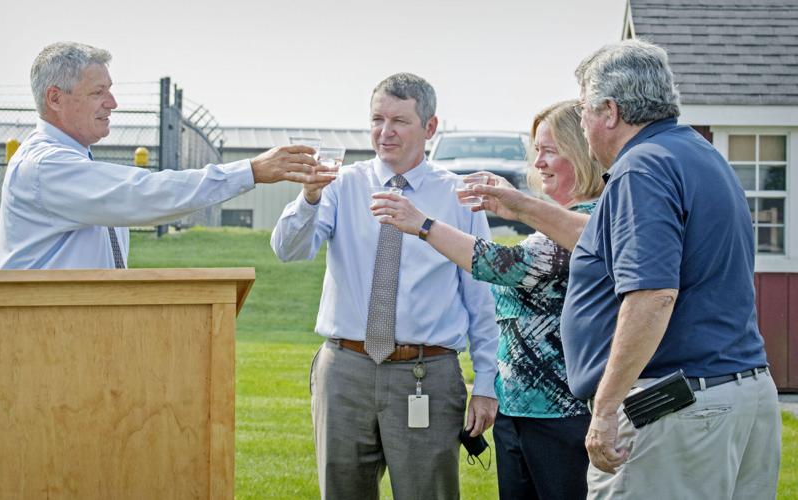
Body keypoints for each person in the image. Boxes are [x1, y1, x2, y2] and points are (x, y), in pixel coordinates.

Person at [474, 39, 781, 498]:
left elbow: (652, 295)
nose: (582, 122)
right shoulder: (699, 155)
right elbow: (602, 242)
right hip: (741, 393)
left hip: (676, 406)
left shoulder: (641, 169)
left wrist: (605, 408)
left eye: (583, 110)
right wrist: (524, 207)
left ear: (610, 111)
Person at [270, 73, 499, 500]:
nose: (385, 131)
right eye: (377, 119)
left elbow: (481, 297)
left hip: (425, 374)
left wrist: (486, 382)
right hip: (346, 370)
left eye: (399, 120)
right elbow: (288, 250)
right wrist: (308, 198)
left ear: (430, 128)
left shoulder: (458, 196)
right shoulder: (339, 184)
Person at [376, 100, 604, 500]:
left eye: (550, 150)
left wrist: (423, 225)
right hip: (518, 413)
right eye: (536, 151)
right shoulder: (555, 219)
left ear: (581, 152)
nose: (539, 162)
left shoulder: (593, 220)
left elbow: (506, 264)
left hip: (563, 414)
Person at [0, 41, 319, 270]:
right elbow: (147, 193)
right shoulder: (45, 167)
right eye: (98, 92)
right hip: (41, 346)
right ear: (55, 98)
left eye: (110, 89)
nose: (113, 102)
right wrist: (250, 171)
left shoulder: (72, 162)